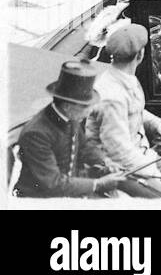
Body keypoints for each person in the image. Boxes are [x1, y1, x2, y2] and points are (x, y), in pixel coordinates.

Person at [82, 23, 161, 199]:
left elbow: (133, 109)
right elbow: (118, 149)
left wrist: (156, 124)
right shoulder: (111, 96)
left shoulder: (124, 78)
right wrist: (153, 172)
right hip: (114, 167)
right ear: (140, 55)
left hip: (138, 156)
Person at [14, 61, 129, 198]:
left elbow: (84, 147)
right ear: (68, 106)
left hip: (68, 192)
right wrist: (97, 184)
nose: (90, 111)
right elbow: (53, 184)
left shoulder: (70, 117)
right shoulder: (36, 133)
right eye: (86, 107)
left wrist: (105, 162)